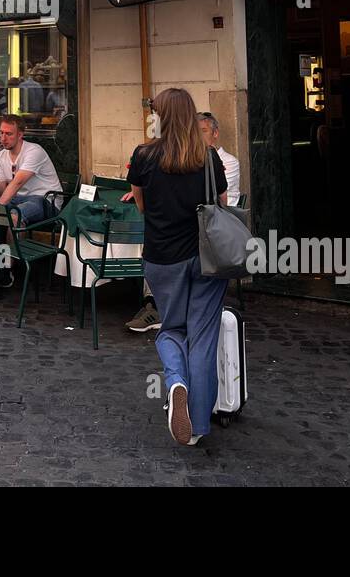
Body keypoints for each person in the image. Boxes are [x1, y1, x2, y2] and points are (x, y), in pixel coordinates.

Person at [129, 87, 228, 447]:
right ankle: (198, 426)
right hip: (205, 258)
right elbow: (221, 205)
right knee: (202, 337)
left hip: (162, 258)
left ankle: (175, 383)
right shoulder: (209, 158)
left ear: (162, 117)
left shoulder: (144, 156)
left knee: (170, 329)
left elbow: (140, 203)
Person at [126, 110, 244, 335]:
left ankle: (167, 320)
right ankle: (154, 307)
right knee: (191, 327)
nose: (199, 137)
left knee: (177, 327)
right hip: (185, 244)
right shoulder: (184, 157)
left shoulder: (220, 160)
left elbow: (220, 201)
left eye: (204, 132)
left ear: (215, 133)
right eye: (195, 132)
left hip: (208, 239)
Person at [0, 114, 62, 225]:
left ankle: (12, 243)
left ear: (20, 135)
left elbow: (18, 182)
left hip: (46, 200)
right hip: (18, 199)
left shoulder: (34, 151)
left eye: (8, 134)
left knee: (15, 215)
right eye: (1, 133)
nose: (3, 138)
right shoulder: (0, 156)